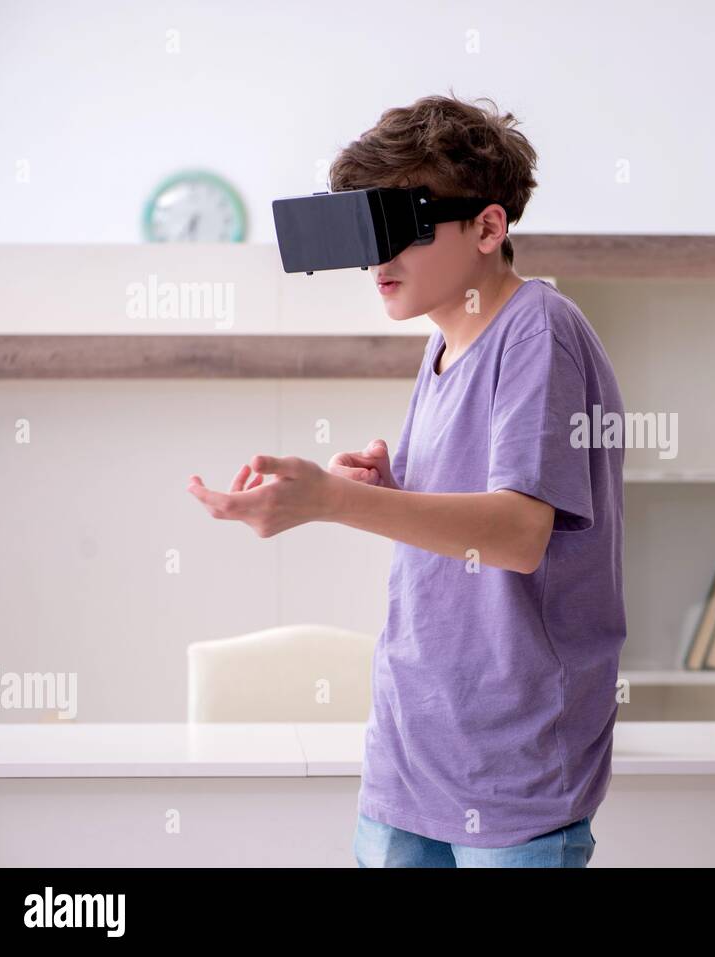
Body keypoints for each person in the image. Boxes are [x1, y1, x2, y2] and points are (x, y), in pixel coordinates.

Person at [187, 93, 626, 867]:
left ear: (488, 228)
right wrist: (386, 492)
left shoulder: (539, 330)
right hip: (411, 751)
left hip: (512, 769)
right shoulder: (443, 346)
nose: (377, 260)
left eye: (402, 227)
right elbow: (468, 519)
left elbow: (522, 534)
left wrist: (335, 500)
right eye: (370, 232)